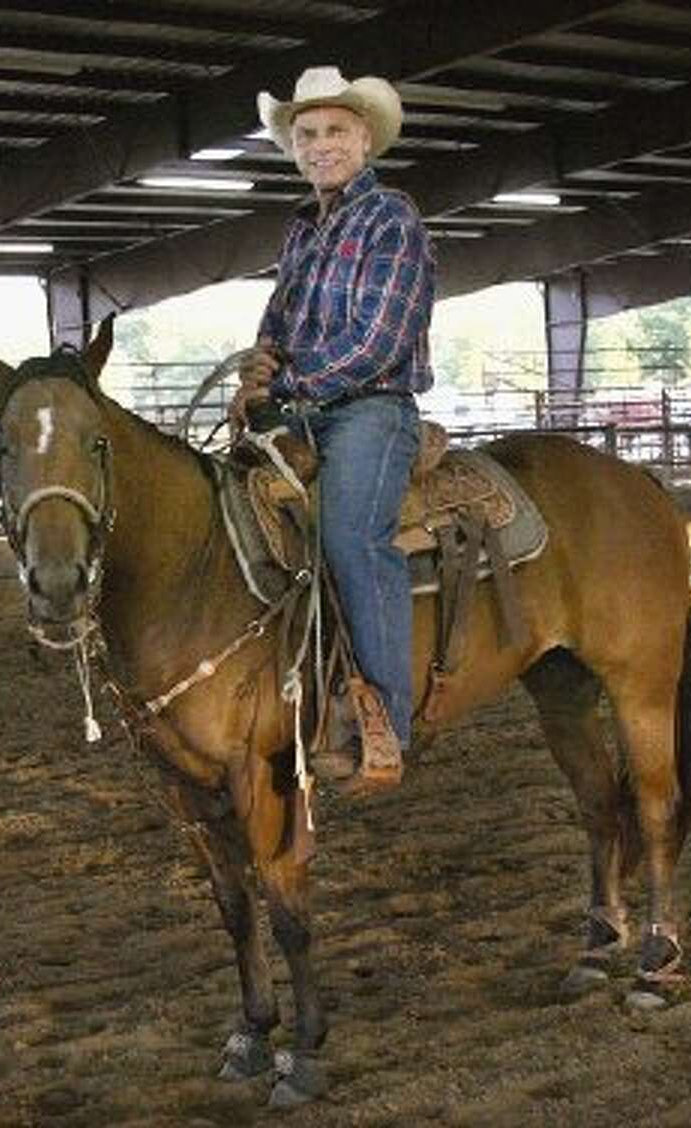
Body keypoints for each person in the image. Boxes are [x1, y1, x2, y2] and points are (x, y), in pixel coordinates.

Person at [231, 66, 435, 789]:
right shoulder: (302, 232)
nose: (321, 145)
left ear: (365, 138)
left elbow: (378, 339)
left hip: (370, 408)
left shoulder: (392, 219)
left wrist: (285, 381)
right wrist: (257, 370)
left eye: (335, 132)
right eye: (307, 134)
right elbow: (278, 326)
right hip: (302, 409)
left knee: (353, 535)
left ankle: (384, 721)